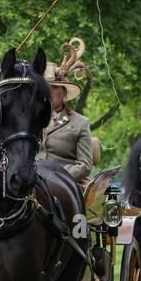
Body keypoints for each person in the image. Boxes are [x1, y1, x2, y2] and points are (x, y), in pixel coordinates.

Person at [37, 40, 94, 183]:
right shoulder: (29, 118)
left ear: (63, 93)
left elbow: (84, 166)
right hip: (31, 182)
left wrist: (56, 175)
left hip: (64, 183)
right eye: (45, 88)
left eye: (54, 88)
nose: (48, 93)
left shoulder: (80, 123)